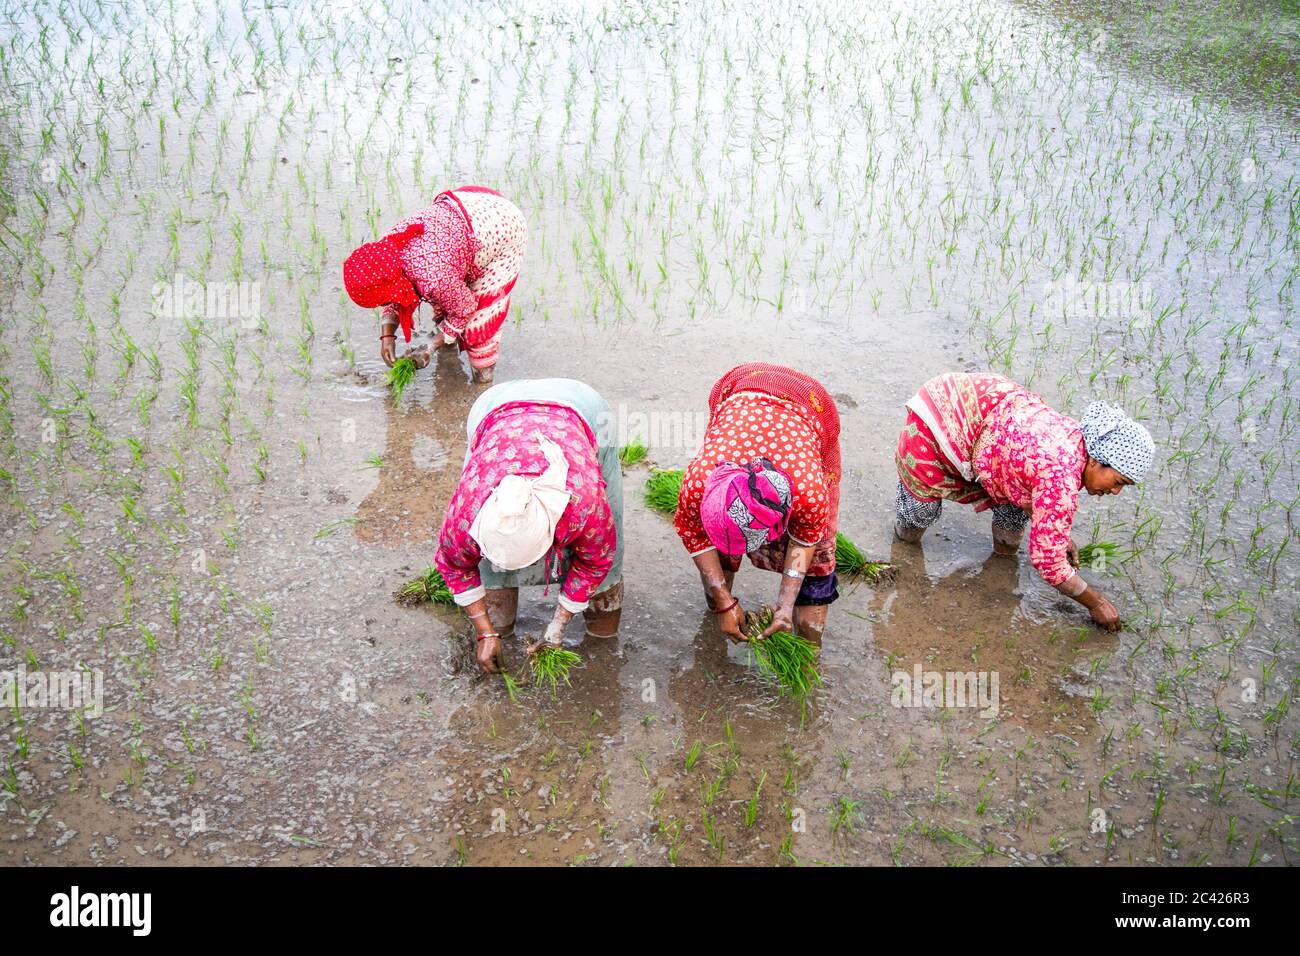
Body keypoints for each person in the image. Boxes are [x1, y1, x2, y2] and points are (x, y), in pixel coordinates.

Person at [894, 371, 1154, 632]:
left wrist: (1059, 536)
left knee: (1014, 515)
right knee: (919, 512)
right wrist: (1096, 603)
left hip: (993, 424)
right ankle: (902, 554)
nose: (1116, 491)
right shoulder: (1061, 474)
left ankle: (1000, 570)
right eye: (1118, 481)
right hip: (943, 415)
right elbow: (1049, 563)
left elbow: (1040, 488)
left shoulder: (1080, 441)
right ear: (1097, 460)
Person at [434, 379, 623, 673]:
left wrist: (557, 628)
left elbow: (595, 563)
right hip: (493, 408)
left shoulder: (583, 504)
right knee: (495, 600)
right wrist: (486, 631)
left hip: (582, 407)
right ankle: (498, 629)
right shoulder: (467, 513)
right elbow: (455, 565)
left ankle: (602, 648)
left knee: (605, 574)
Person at [674, 363, 841, 646]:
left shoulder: (809, 492)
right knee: (720, 558)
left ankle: (808, 652)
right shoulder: (699, 483)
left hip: (812, 406)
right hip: (741, 387)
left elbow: (803, 544)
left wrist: (785, 607)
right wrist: (724, 602)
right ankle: (720, 606)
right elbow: (695, 535)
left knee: (817, 560)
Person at [342, 185, 526, 384]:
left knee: (477, 325)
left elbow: (465, 308)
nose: (385, 303)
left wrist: (430, 346)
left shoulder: (434, 279)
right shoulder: (387, 251)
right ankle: (449, 341)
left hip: (503, 226)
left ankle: (482, 387)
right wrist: (387, 336)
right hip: (469, 206)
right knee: (448, 296)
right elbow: (395, 293)